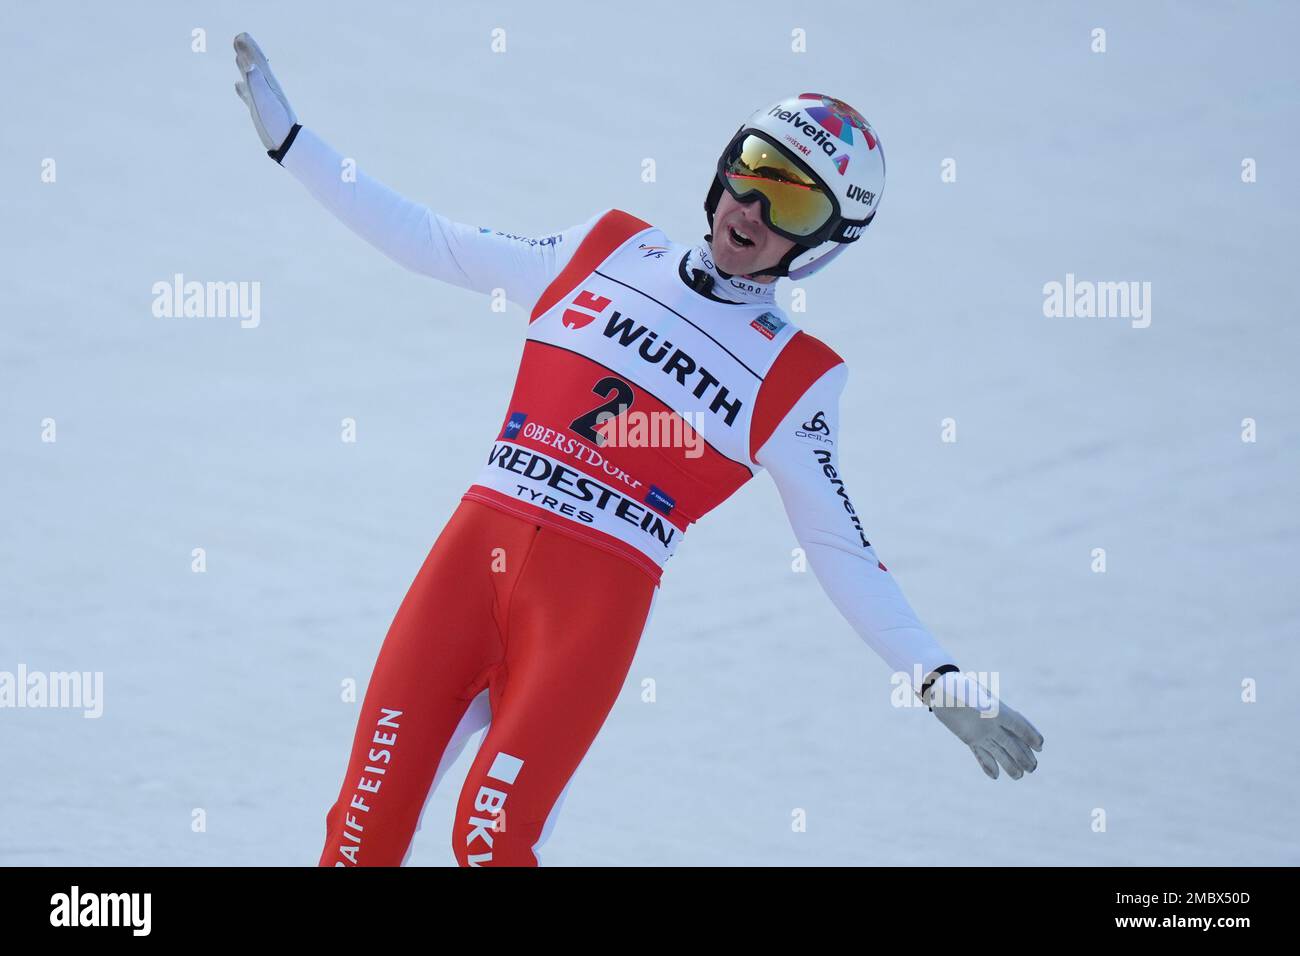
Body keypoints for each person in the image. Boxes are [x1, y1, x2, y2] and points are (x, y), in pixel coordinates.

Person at [232, 33, 1044, 867]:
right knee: (360, 833)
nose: (751, 214)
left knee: (490, 839)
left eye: (792, 208)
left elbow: (842, 551)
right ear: (726, 164)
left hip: (586, 611)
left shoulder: (797, 379)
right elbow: (434, 242)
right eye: (753, 173)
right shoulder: (604, 249)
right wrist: (296, 149)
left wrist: (937, 678)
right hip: (469, 563)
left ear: (826, 243)